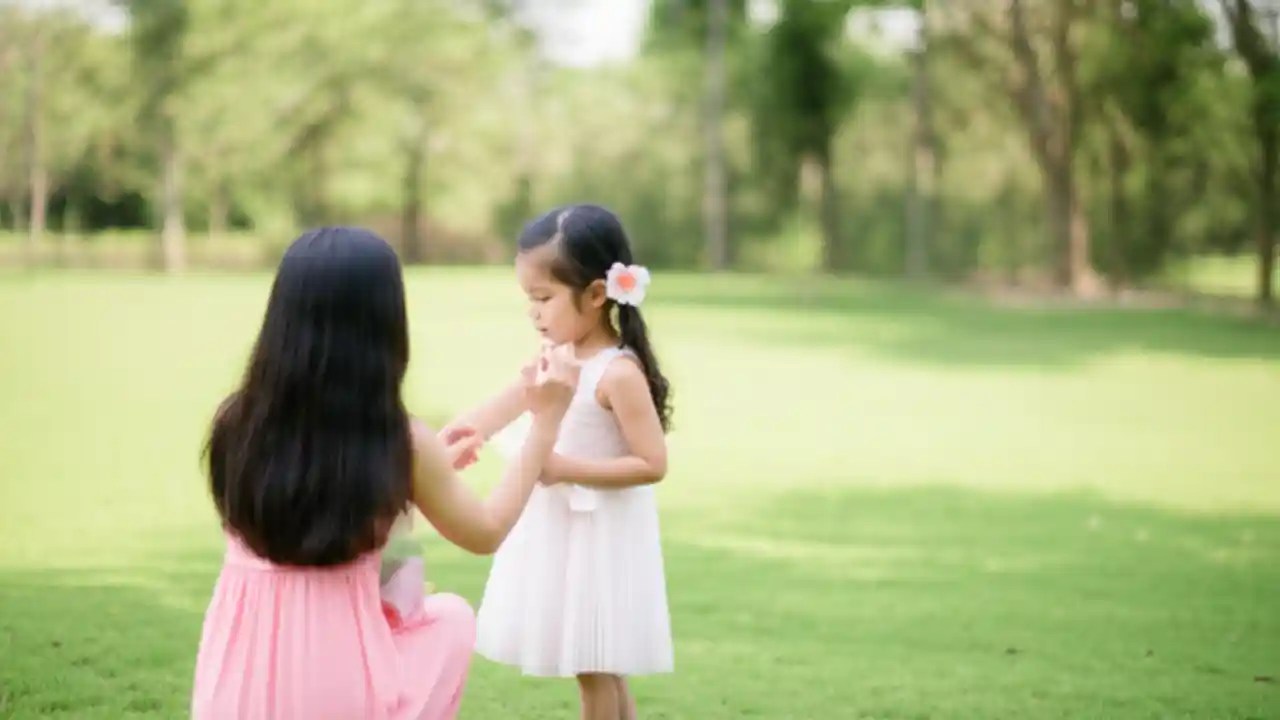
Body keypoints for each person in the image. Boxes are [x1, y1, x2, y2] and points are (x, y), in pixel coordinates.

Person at [191, 226, 579, 720]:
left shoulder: (235, 421)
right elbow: (484, 532)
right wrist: (545, 424)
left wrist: (402, 483)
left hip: (234, 686)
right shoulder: (397, 440)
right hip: (339, 683)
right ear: (382, 323)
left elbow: (308, 509)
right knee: (450, 620)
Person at [450, 205, 674, 720]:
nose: (534, 313)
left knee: (595, 667)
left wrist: (562, 467)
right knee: (600, 667)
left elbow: (652, 462)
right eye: (529, 299)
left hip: (600, 539)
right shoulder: (558, 357)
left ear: (597, 295)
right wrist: (453, 438)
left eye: (544, 298)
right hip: (565, 533)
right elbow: (504, 405)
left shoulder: (615, 373)